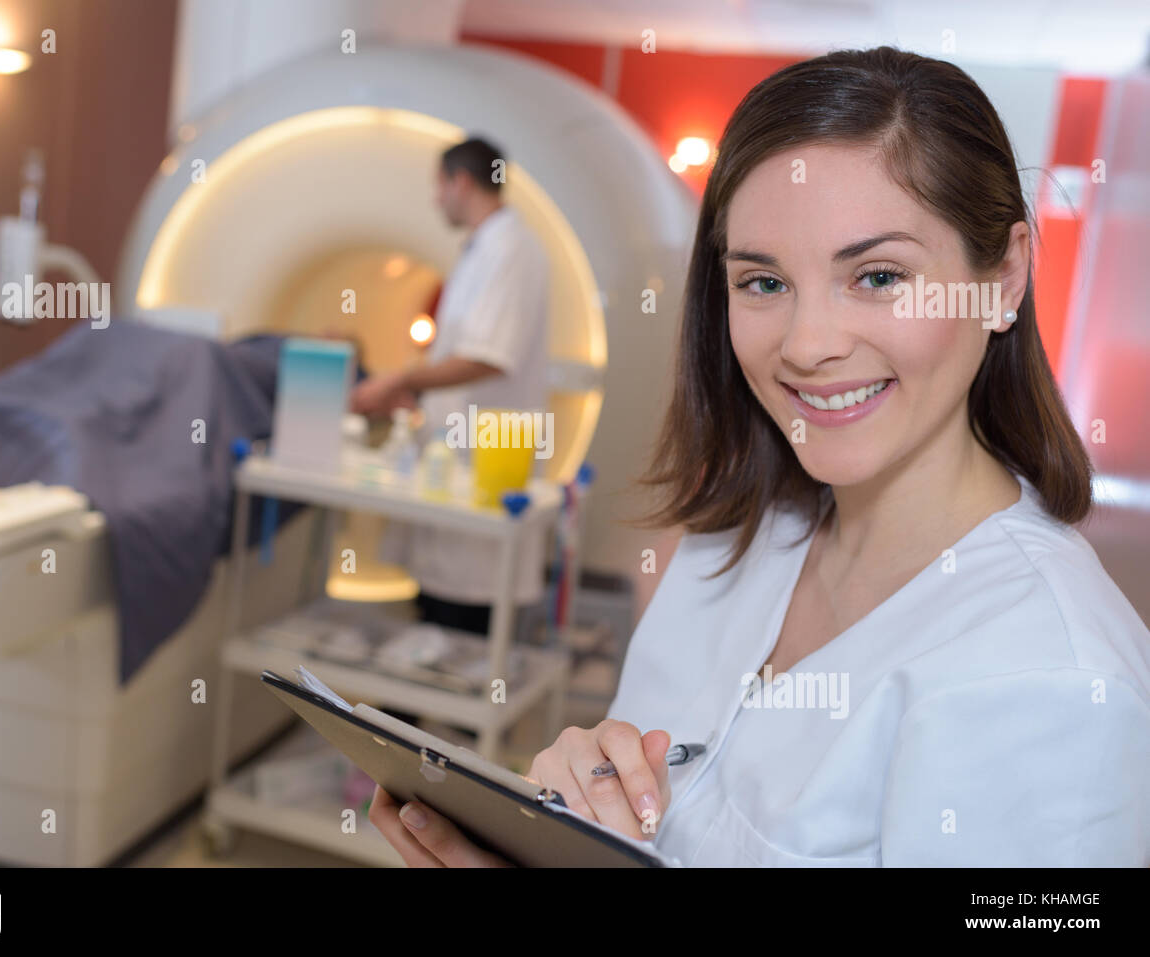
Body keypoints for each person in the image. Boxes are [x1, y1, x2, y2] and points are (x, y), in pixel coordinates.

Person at [369, 47, 1150, 866]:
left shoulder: (1056, 683)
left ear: (1004, 278)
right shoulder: (725, 543)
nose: (808, 347)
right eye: (764, 283)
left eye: (879, 276)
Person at [351, 137, 549, 636]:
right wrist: (414, 391)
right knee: (436, 607)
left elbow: (488, 357)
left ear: (461, 182)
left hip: (486, 456)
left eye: (439, 187)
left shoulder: (512, 250)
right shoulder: (482, 250)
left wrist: (402, 378)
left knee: (466, 618)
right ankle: (411, 708)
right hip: (456, 450)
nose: (436, 199)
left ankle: (443, 712)